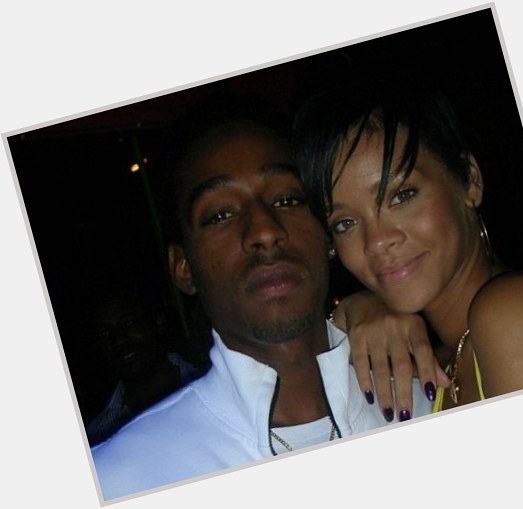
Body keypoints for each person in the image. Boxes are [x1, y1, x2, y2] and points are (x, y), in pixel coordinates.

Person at [90, 94, 434, 502]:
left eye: (287, 200)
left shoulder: (437, 395)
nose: (264, 231)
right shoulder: (120, 479)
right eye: (220, 215)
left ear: (326, 233)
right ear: (183, 267)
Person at [293, 75, 523, 413]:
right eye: (345, 223)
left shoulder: (518, 313)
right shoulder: (432, 366)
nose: (377, 241)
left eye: (402, 196)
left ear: (469, 180)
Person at [84, 290, 203, 445]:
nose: (118, 340)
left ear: (157, 323)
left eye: (128, 324)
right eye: (105, 333)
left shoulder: (211, 386)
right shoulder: (98, 436)